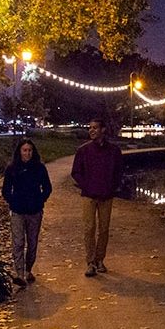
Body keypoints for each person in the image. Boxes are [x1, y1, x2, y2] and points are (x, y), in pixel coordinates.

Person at [71, 118, 123, 277]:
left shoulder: (114, 151)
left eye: (95, 128)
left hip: (106, 195)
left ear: (103, 130)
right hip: (89, 195)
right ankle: (90, 262)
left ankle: (100, 259)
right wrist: (86, 185)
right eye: (90, 128)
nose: (92, 130)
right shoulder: (83, 150)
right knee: (89, 228)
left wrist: (112, 187)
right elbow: (76, 172)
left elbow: (119, 171)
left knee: (104, 229)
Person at [1, 138, 53, 287]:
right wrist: (12, 201)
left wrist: (40, 200)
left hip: (34, 210)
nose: (27, 153)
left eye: (30, 150)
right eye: (25, 150)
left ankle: (28, 269)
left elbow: (47, 187)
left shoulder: (39, 168)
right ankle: (19, 273)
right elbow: (5, 190)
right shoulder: (12, 168)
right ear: (20, 152)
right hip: (17, 210)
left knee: (32, 242)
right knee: (18, 242)